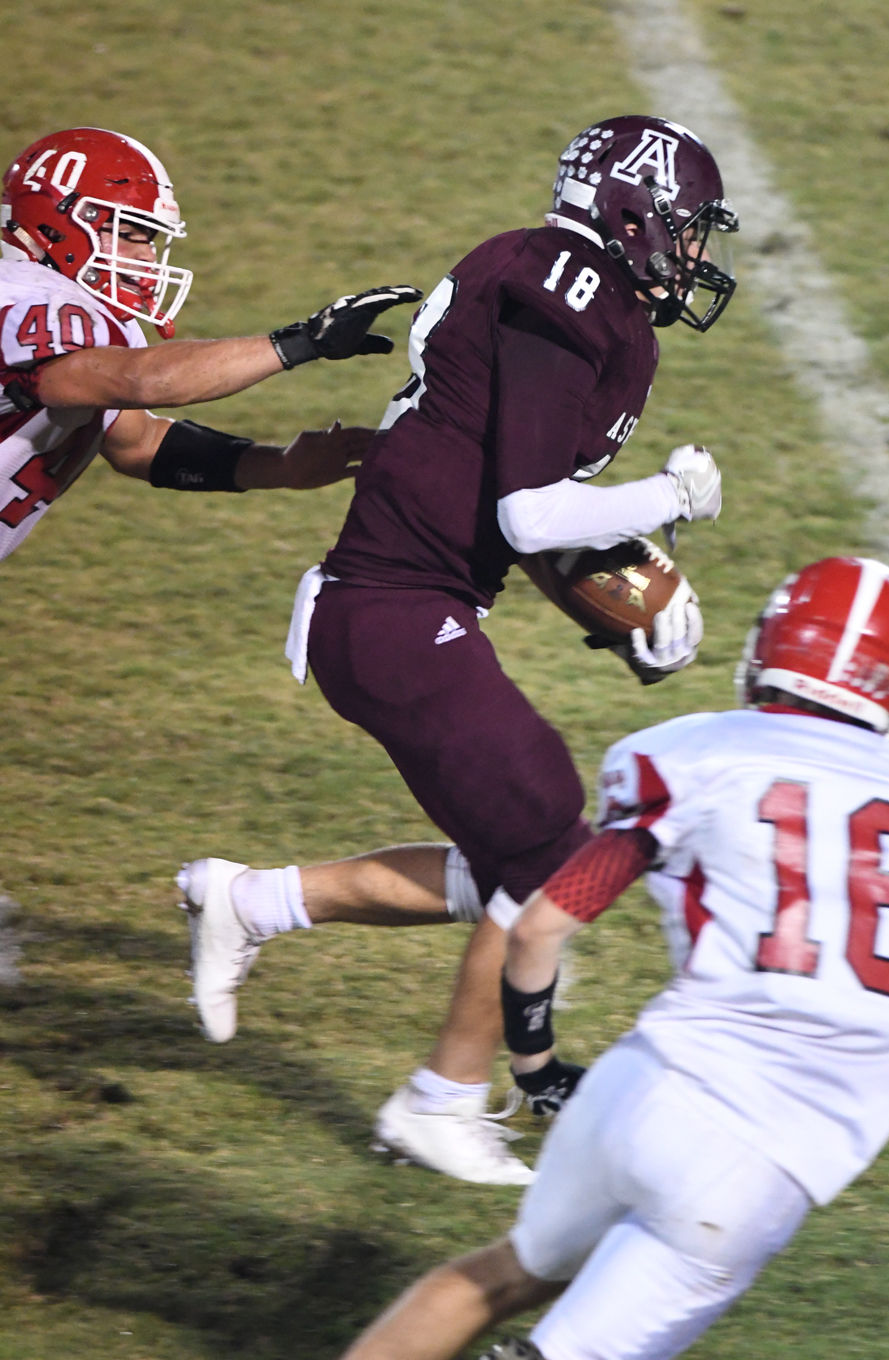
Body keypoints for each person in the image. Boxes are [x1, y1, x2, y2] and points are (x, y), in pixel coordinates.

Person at [177, 115, 741, 1185]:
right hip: (393, 609)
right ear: (634, 212)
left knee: (512, 861)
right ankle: (446, 1097)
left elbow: (513, 504)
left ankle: (250, 901)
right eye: (688, 228)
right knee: (548, 849)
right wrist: (672, 499)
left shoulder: (570, 285)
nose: (698, 254)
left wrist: (621, 605)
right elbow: (530, 513)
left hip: (401, 606)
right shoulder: (563, 289)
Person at [337, 554, 889, 1360]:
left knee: (491, 1281)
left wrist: (537, 1070)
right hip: (755, 1160)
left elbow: (539, 929)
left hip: (639, 1087)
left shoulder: (697, 752)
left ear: (767, 652)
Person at [0, 124, 422, 560]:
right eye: (128, 233)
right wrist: (302, 342)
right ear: (54, 225)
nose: (146, 256)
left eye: (150, 238)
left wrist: (281, 466)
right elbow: (143, 381)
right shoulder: (20, 297)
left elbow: (139, 443)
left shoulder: (94, 324)